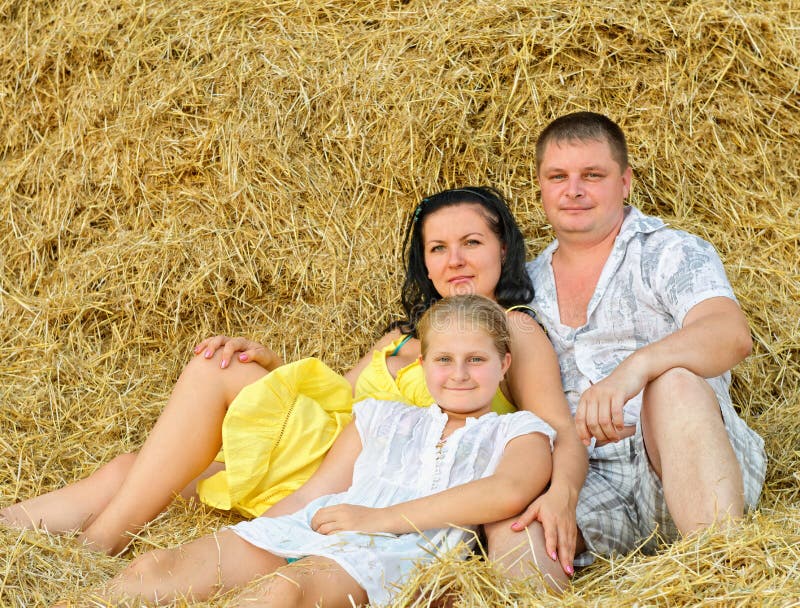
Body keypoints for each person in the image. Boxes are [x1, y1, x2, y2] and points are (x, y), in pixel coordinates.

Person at [1, 186, 585, 581]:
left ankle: (93, 552)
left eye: (472, 243)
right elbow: (340, 398)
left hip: (367, 480)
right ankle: (12, 531)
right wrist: (274, 362)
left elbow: (558, 430)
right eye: (438, 248)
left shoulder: (512, 333)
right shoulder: (406, 338)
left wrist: (560, 497)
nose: (454, 260)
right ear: (424, 265)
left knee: (194, 403)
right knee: (141, 462)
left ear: (503, 250)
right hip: (329, 455)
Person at [57, 295, 556, 607]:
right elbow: (316, 491)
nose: (460, 373)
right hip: (322, 523)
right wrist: (254, 534)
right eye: (444, 359)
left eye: (477, 359)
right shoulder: (381, 415)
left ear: (504, 362)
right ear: (423, 365)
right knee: (155, 570)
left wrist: (375, 520)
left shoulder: (519, 431)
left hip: (393, 550)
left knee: (281, 594)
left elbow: (507, 492)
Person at [500, 111, 766, 568]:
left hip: (686, 460)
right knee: (515, 535)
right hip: (593, 481)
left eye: (593, 175)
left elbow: (730, 333)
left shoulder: (668, 251)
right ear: (541, 187)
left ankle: (720, 567)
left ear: (624, 182)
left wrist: (635, 370)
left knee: (673, 383)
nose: (574, 189)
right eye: (558, 176)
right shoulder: (525, 286)